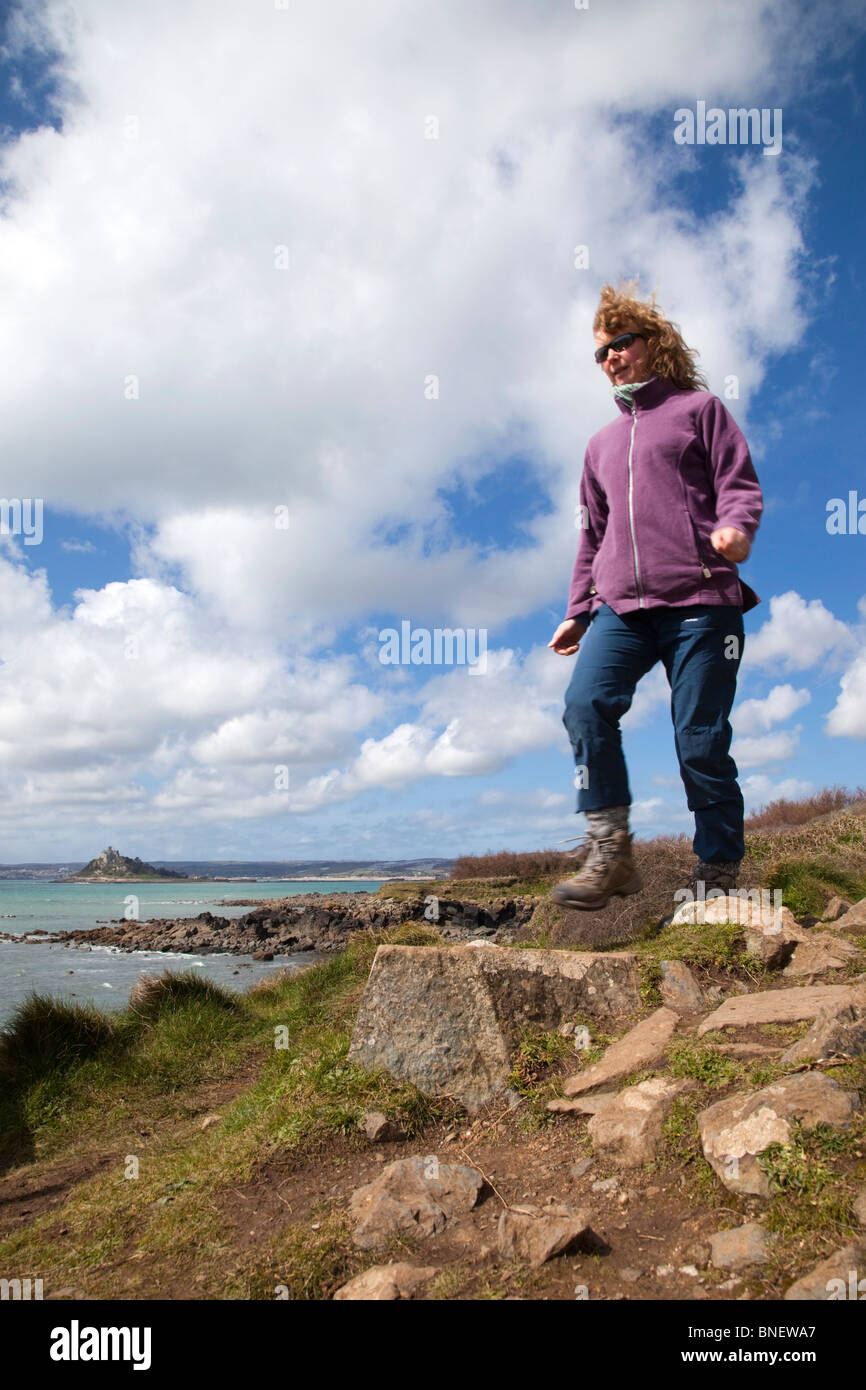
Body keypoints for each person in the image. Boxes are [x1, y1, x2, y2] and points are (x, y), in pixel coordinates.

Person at [548, 282, 763, 913]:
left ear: (654, 344)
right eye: (601, 352)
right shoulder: (599, 445)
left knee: (699, 737)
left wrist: (736, 528)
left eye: (621, 343)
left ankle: (719, 868)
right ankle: (610, 849)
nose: (611, 357)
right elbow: (591, 532)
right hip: (621, 608)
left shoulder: (700, 409)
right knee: (585, 705)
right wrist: (577, 609)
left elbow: (738, 483)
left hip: (703, 600)